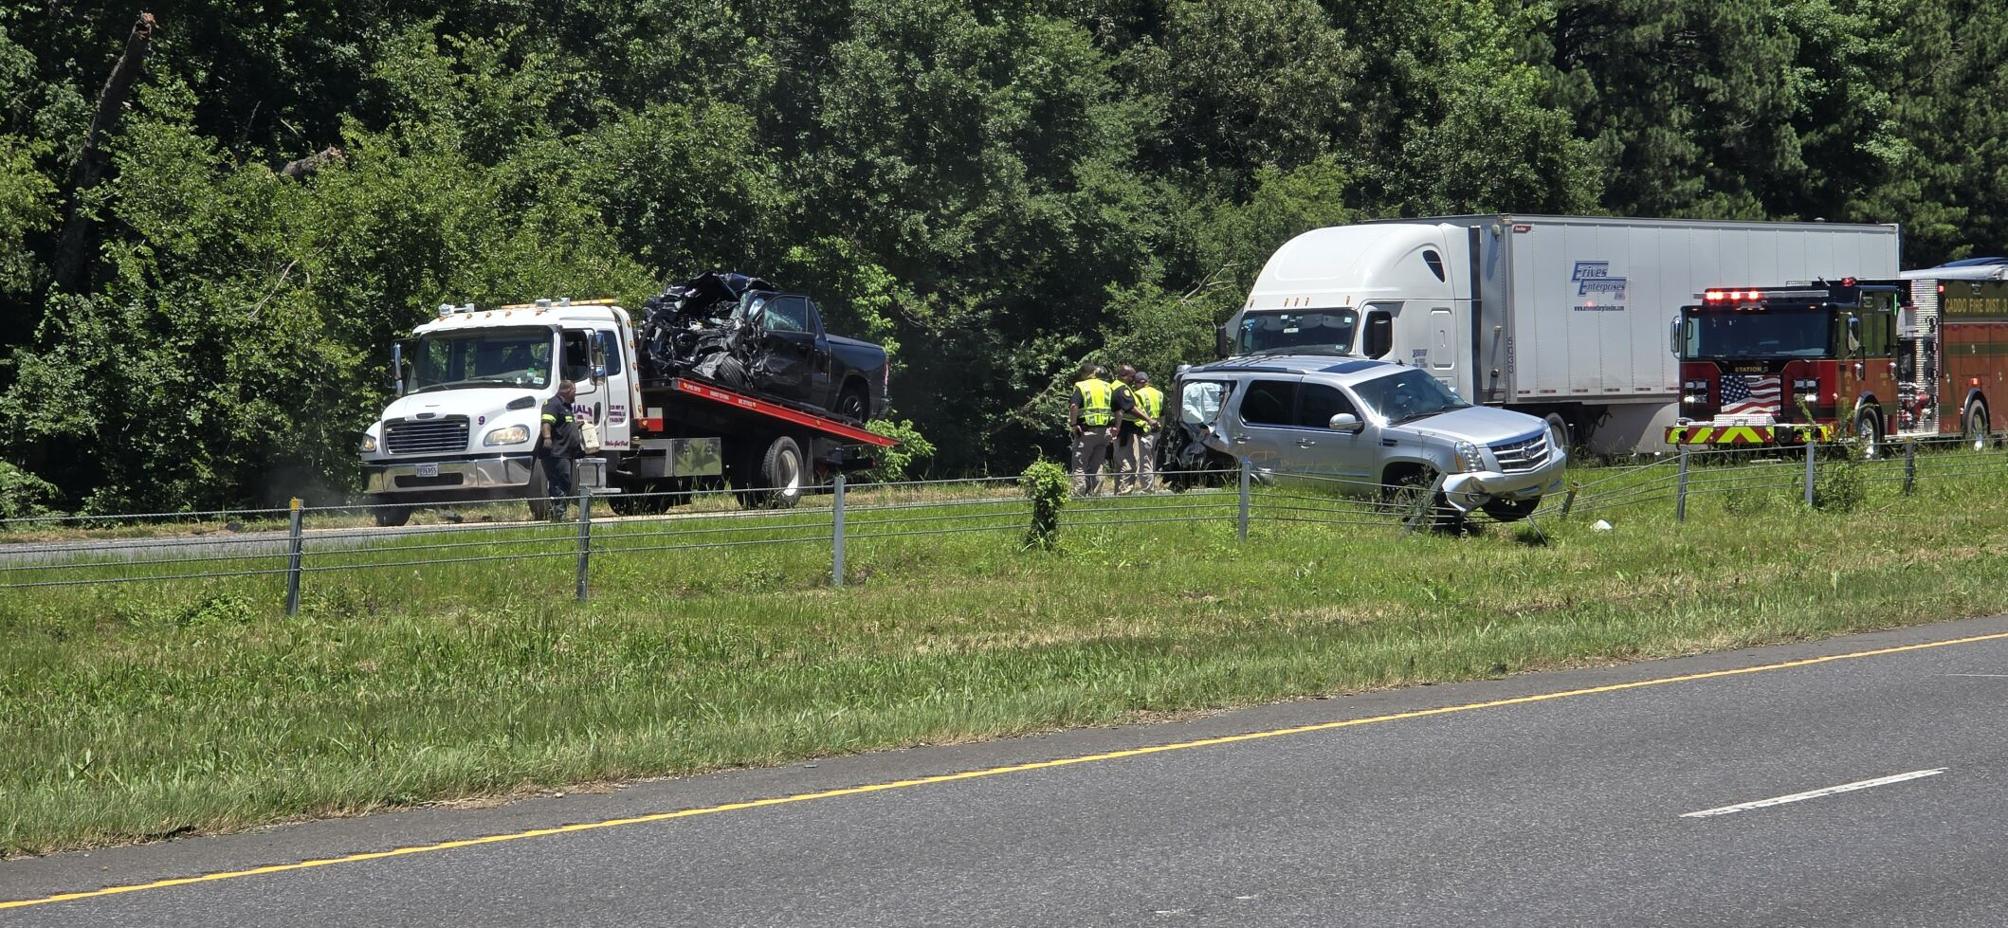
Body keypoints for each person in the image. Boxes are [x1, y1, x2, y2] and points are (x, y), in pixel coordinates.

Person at [537, 380, 582, 521]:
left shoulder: (566, 407)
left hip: (566, 453)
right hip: (555, 453)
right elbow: (546, 422)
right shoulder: (552, 404)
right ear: (568, 391)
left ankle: (559, 513)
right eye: (574, 391)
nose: (575, 394)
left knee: (566, 482)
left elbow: (563, 426)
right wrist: (547, 438)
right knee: (559, 482)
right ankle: (558, 515)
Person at [1069, 364, 1116, 495]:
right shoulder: (1107, 386)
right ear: (1095, 371)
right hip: (1104, 432)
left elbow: (1074, 406)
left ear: (1083, 374)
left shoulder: (1081, 386)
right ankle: (1096, 494)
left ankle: (1078, 494)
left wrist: (1073, 424)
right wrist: (1115, 426)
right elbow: (1116, 408)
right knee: (1097, 464)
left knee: (1080, 464)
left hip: (1086, 431)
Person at [1112, 364, 1157, 494]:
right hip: (1123, 431)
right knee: (1128, 464)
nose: (1133, 379)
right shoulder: (1121, 389)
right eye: (1132, 377)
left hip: (1125, 430)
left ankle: (1118, 493)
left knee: (1122, 463)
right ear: (1124, 376)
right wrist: (1148, 420)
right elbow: (1130, 408)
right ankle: (1124, 493)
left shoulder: (1118, 386)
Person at [1130, 371, 1164, 493]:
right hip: (1156, 431)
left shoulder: (1137, 394)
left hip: (1144, 431)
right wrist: (1161, 428)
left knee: (1145, 460)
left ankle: (1147, 489)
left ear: (1137, 383)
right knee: (1152, 459)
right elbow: (1162, 414)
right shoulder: (1159, 394)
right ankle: (1151, 486)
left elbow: (1135, 413)